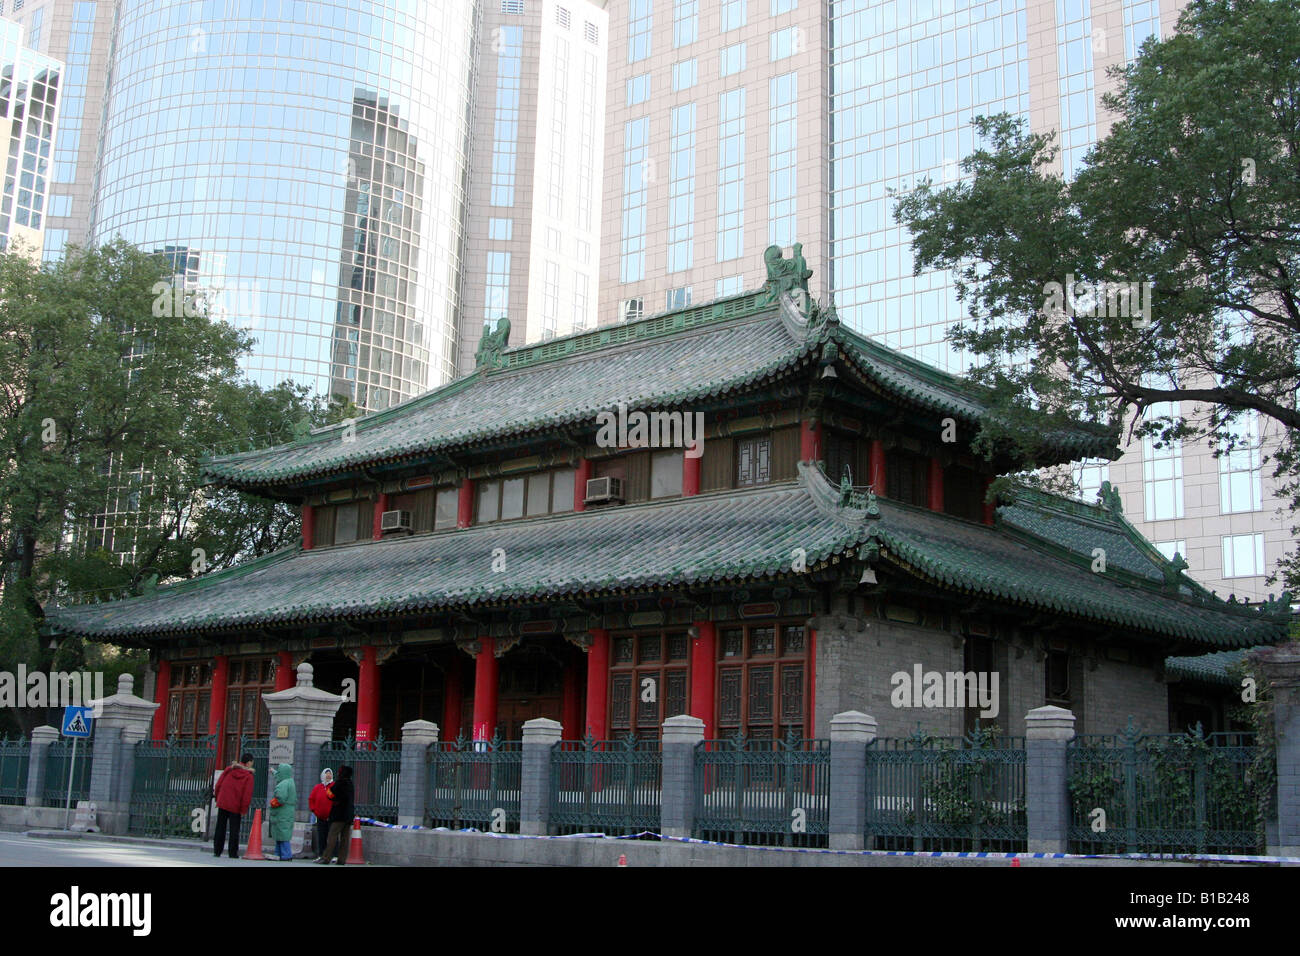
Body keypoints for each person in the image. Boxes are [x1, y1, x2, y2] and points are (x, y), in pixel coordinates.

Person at [212, 753, 255, 859]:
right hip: (235, 805)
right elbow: (247, 795)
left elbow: (218, 784)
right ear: (249, 762)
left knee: (220, 827)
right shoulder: (248, 776)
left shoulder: (229, 769)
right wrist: (244, 809)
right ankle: (232, 852)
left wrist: (218, 798)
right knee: (234, 829)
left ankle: (217, 850)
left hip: (223, 802)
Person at [315, 764, 354, 864]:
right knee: (345, 839)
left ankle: (326, 857)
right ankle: (342, 859)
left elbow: (330, 795)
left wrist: (331, 795)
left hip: (338, 815)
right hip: (348, 815)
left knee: (332, 836)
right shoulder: (350, 784)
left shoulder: (339, 783)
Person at [269, 762, 297, 861]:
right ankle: (278, 853)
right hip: (288, 812)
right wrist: (273, 771)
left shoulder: (284, 784)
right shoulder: (290, 781)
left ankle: (286, 855)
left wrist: (273, 802)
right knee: (281, 833)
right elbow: (279, 775)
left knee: (282, 833)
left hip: (282, 812)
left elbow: (280, 798)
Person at [309, 768, 334, 857]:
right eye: (326, 774)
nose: (328, 775)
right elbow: (311, 799)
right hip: (320, 817)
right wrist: (314, 810)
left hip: (332, 817)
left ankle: (332, 855)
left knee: (332, 837)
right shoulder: (318, 787)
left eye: (330, 774)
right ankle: (321, 854)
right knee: (321, 837)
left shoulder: (334, 786)